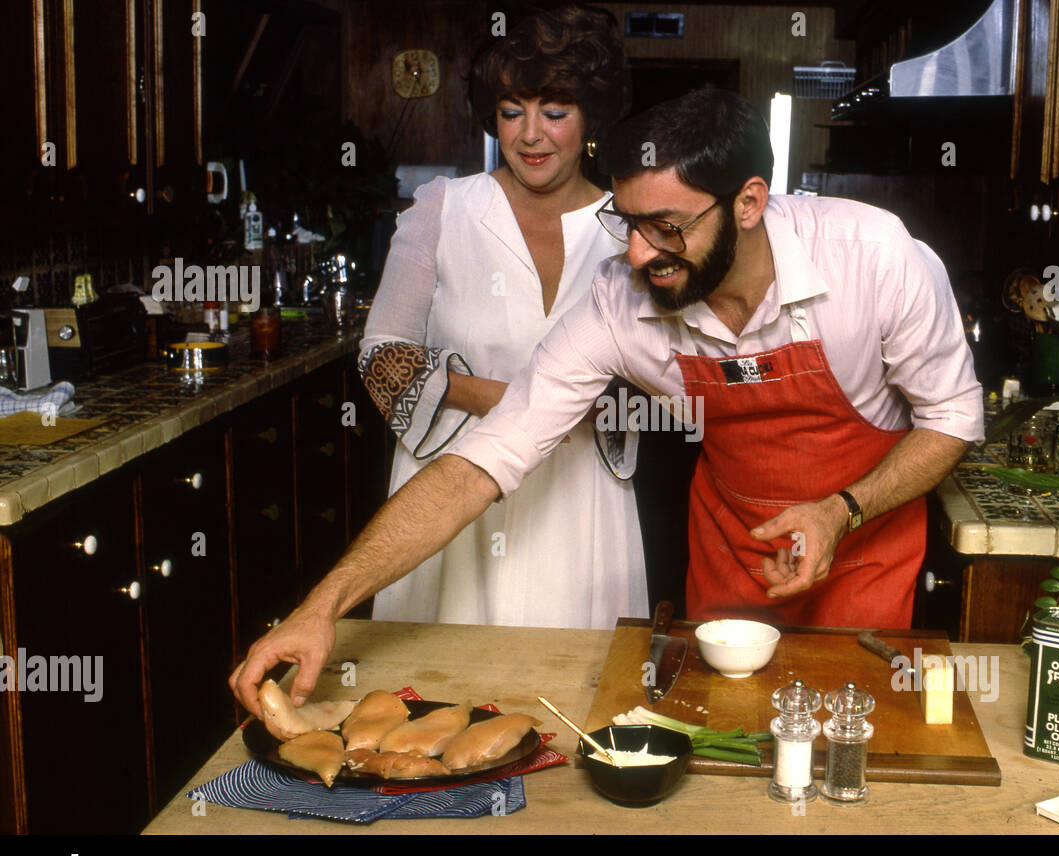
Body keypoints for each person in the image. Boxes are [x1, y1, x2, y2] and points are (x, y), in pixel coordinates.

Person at [231, 88, 982, 713]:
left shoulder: (875, 260)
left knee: (849, 739)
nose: (637, 255)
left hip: (862, 545)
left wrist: (840, 511)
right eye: (626, 224)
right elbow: (484, 461)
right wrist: (323, 605)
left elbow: (951, 420)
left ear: (749, 202)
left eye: (667, 228)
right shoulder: (619, 307)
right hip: (735, 553)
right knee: (723, 746)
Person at [357, 4, 646, 628]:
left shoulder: (629, 231)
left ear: (590, 116)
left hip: (579, 502)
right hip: (450, 496)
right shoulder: (445, 209)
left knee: (578, 700)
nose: (530, 135)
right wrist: (525, 402)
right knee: (436, 704)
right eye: (512, 112)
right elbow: (382, 357)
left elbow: (654, 382)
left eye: (555, 112)